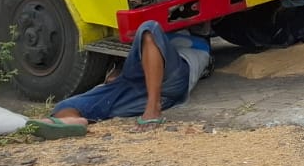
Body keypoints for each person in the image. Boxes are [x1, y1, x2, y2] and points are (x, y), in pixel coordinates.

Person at [34, 20, 212, 132]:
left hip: (170, 79)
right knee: (66, 105)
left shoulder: (195, 42)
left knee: (150, 29)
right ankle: (71, 122)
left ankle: (153, 108)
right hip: (134, 85)